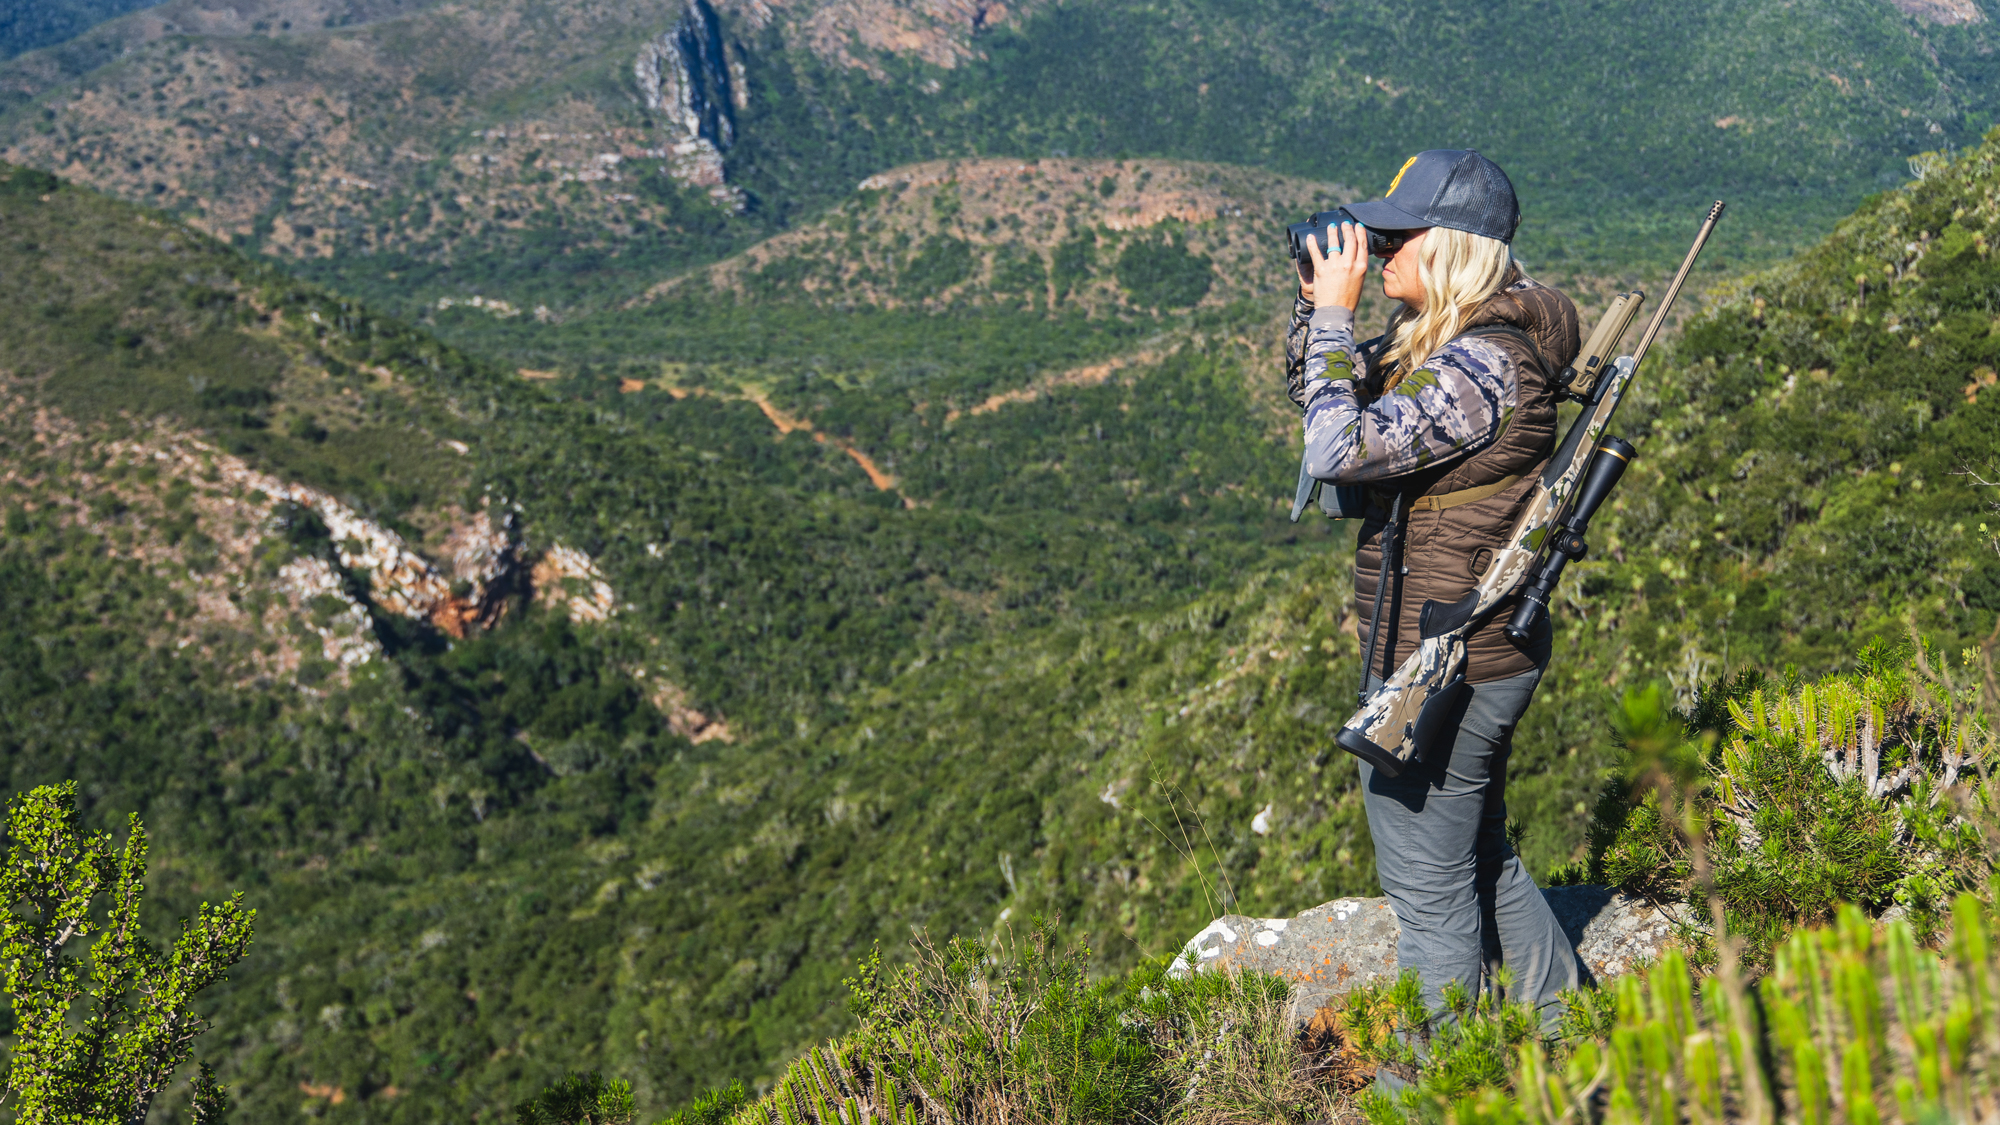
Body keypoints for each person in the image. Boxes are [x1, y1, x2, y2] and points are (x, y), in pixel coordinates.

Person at [1282, 149, 1583, 1026]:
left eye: (1396, 234)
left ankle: (1436, 1086)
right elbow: (1319, 399)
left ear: (1451, 246)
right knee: (1479, 859)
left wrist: (1337, 317)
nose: (1378, 250)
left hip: (1448, 664)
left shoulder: (1478, 367)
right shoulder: (1451, 348)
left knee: (1428, 894)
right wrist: (1315, 311)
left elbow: (1334, 449)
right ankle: (1572, 1042)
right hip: (1464, 647)